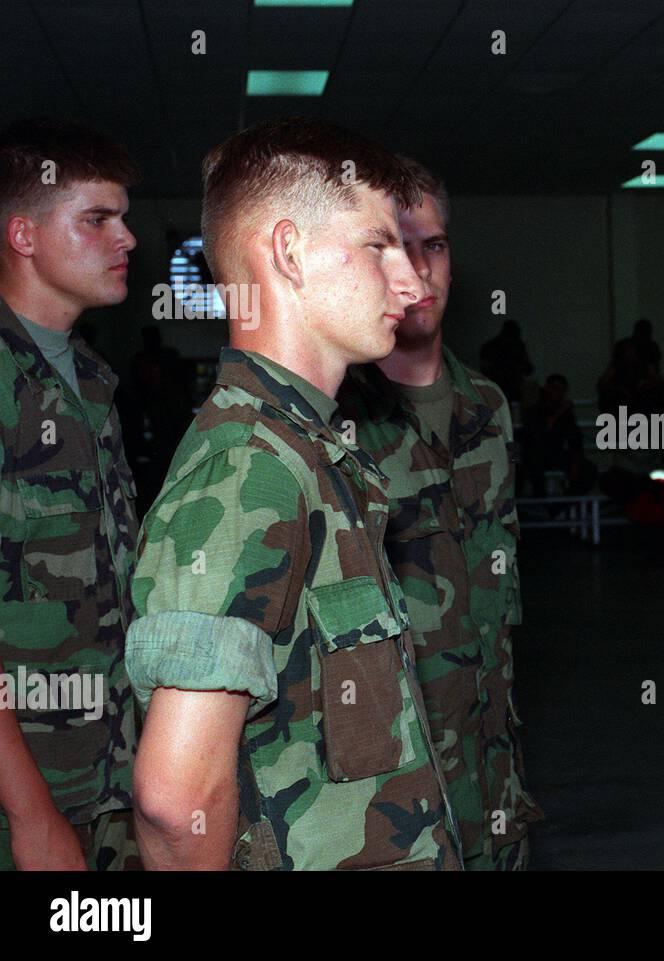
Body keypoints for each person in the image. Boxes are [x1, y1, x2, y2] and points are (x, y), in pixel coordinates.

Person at [125, 119, 461, 870]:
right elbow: (176, 805)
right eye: (379, 246)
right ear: (288, 252)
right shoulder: (252, 467)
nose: (411, 282)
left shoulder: (312, 450)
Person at [338, 157, 543, 870]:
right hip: (392, 810)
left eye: (435, 245)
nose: (419, 270)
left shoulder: (487, 406)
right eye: (394, 246)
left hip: (493, 781)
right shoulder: (336, 418)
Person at [0, 118, 141, 870]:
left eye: (124, 217)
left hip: (107, 776)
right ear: (24, 235)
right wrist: (30, 813)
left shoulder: (88, 378)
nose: (127, 238)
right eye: (97, 219)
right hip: (27, 794)